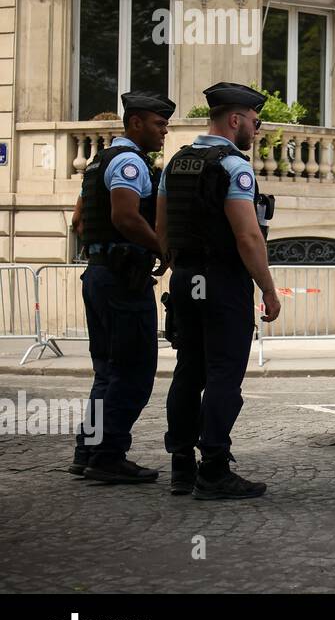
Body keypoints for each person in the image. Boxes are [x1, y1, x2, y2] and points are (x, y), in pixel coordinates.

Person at [156, 83, 280, 499]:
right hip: (223, 280)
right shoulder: (234, 167)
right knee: (225, 374)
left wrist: (180, 266)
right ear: (235, 120)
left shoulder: (175, 163)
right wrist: (268, 289)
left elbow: (163, 228)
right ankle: (213, 469)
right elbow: (248, 237)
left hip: (185, 277)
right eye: (254, 122)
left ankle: (181, 467)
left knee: (189, 370)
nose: (256, 130)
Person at [72, 90, 175, 483]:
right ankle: (108, 455)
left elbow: (80, 219)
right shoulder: (130, 162)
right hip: (121, 279)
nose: (164, 131)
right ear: (136, 123)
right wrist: (162, 247)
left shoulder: (100, 162)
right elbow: (126, 217)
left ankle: (88, 451)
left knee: (107, 372)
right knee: (132, 371)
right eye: (159, 123)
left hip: (100, 273)